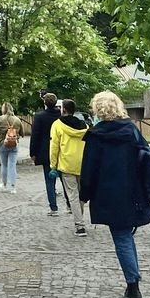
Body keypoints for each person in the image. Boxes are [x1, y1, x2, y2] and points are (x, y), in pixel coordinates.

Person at [80, 90, 150, 298]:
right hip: (133, 191)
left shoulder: (96, 136)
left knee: (122, 237)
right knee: (125, 235)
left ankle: (133, 288)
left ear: (97, 110)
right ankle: (134, 281)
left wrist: (84, 195)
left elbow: (89, 170)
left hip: (109, 193)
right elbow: (146, 158)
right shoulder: (131, 130)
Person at [48, 99, 90, 236]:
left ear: (64, 109)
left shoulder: (57, 125)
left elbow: (54, 146)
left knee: (73, 195)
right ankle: (80, 218)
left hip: (67, 164)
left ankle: (79, 225)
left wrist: (53, 165)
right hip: (82, 164)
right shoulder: (84, 125)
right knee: (81, 194)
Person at [30, 92, 61, 214]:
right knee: (64, 179)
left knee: (49, 180)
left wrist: (33, 153)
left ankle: (53, 207)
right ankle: (70, 205)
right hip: (61, 150)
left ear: (45, 102)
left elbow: (35, 136)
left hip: (45, 151)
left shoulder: (39, 116)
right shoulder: (60, 116)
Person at [0, 102, 23, 193]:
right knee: (12, 166)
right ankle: (13, 187)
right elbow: (22, 133)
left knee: (4, 165)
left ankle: (4, 185)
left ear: (3, 109)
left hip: (2, 144)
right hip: (14, 145)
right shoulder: (17, 120)